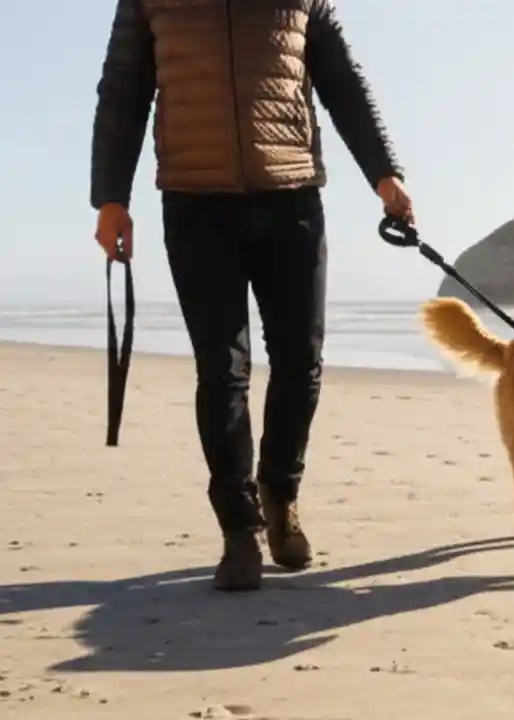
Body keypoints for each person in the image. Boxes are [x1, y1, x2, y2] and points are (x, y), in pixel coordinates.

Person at [90, 0, 413, 591]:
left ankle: (280, 496)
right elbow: (123, 92)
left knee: (299, 360)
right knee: (222, 368)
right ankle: (239, 528)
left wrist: (384, 172)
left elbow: (341, 79)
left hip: (290, 195)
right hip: (194, 202)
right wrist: (111, 198)